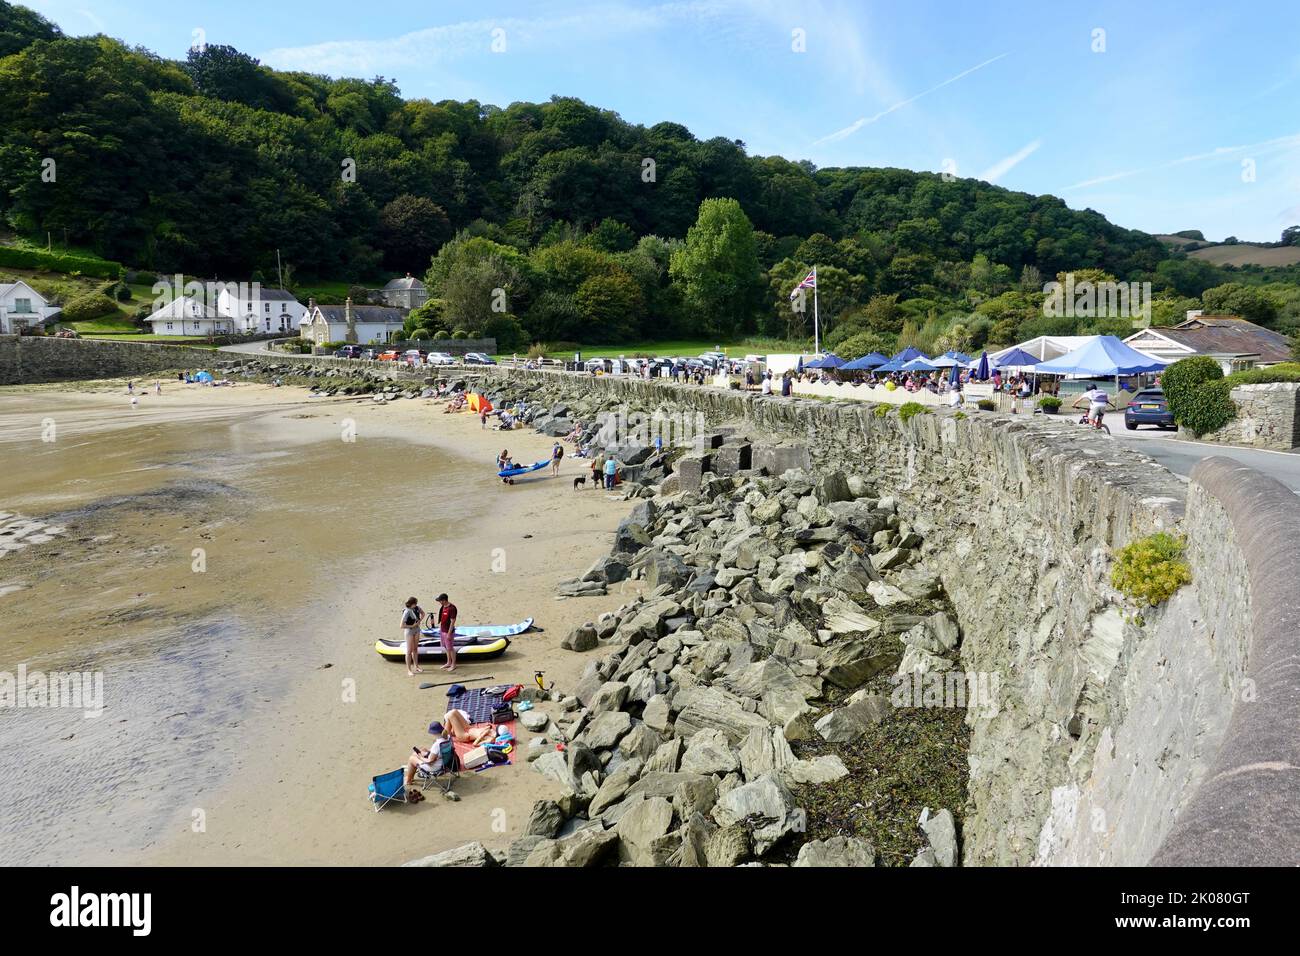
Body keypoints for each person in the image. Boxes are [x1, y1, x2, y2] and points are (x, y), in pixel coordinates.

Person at [434, 593, 458, 672]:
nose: (439, 602)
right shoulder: (443, 607)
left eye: (440, 601)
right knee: (446, 647)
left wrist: (449, 634)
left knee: (450, 648)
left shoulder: (452, 608)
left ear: (444, 600)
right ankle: (448, 662)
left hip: (448, 632)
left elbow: (452, 621)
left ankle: (453, 665)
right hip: (442, 630)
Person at [401, 596, 424, 676]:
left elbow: (423, 614)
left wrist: (419, 621)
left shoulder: (417, 608)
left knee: (415, 649)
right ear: (411, 604)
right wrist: (412, 625)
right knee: (409, 651)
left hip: (417, 630)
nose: (416, 605)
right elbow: (401, 625)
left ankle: (416, 666)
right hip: (409, 631)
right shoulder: (406, 612)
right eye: (415, 604)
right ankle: (409, 670)